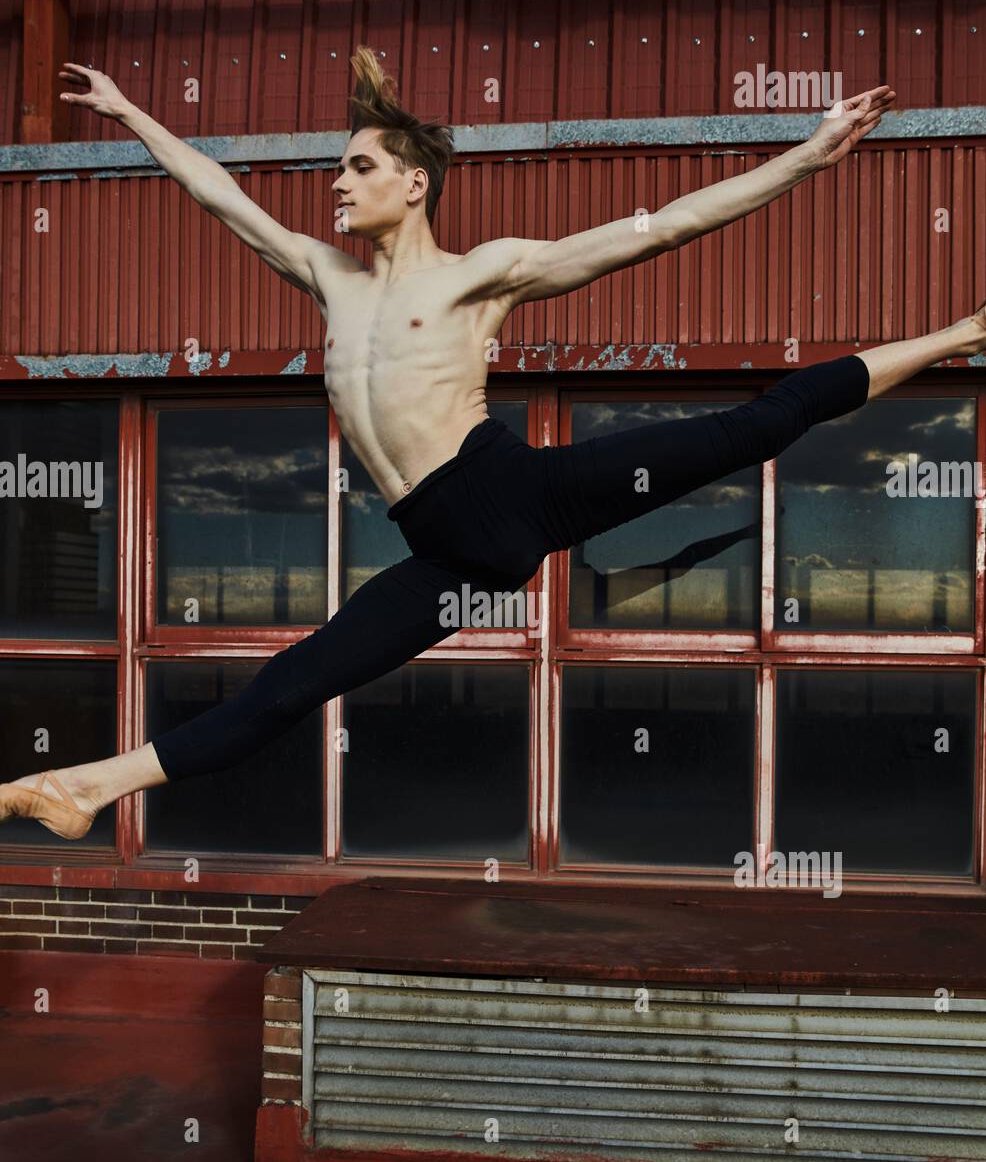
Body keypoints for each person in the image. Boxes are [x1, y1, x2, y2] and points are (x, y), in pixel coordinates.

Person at [1, 51, 982, 840]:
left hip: (518, 498)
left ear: (414, 183)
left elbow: (658, 230)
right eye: (338, 165)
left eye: (358, 166)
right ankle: (83, 787)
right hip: (441, 549)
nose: (335, 182)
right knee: (287, 685)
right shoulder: (325, 276)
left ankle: (957, 335)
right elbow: (219, 196)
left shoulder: (482, 274)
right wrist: (133, 113)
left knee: (751, 428)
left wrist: (802, 159)